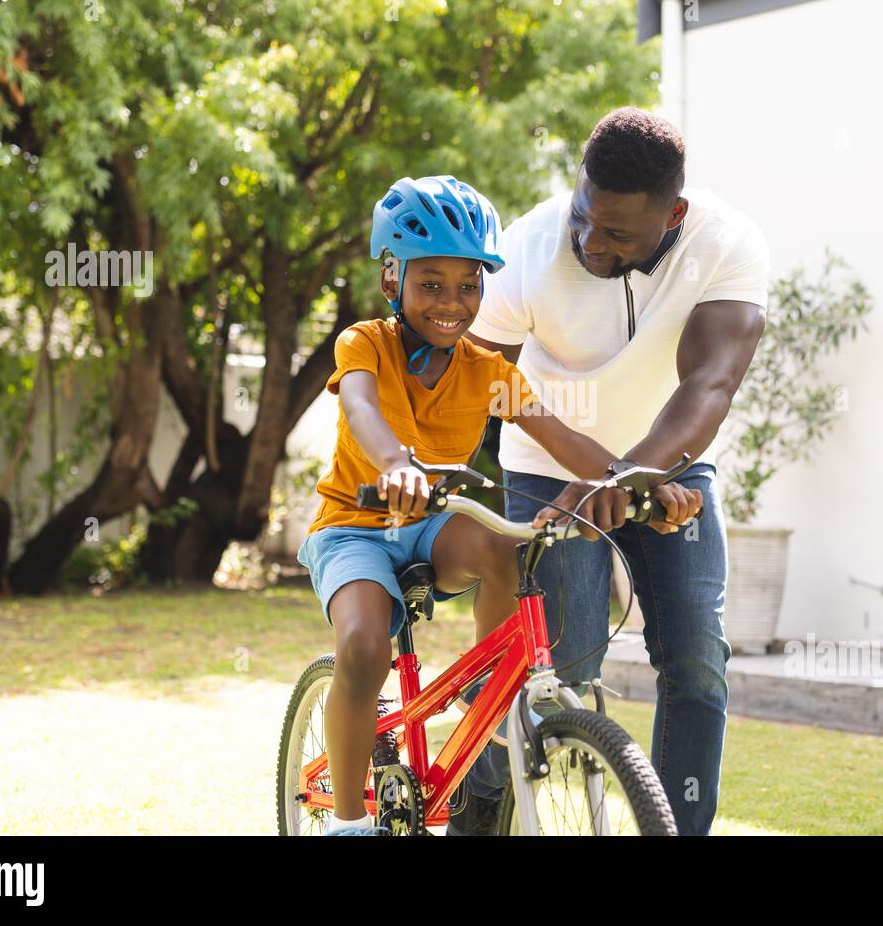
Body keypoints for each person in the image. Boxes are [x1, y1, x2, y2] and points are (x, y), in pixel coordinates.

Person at [297, 173, 702, 835]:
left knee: (504, 547)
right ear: (391, 280)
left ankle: (493, 697)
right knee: (365, 647)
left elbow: (563, 437)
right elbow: (364, 410)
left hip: (430, 524)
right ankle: (347, 819)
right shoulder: (362, 343)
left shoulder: (488, 373)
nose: (453, 302)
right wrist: (398, 465)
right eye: (431, 284)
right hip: (356, 527)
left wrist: (643, 483)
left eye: (469, 285)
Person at [458, 108, 770, 836]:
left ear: (675, 214)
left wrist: (631, 477)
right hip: (547, 468)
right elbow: (491, 387)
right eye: (584, 217)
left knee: (696, 660)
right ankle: (479, 807)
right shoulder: (529, 248)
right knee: (556, 668)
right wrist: (600, 473)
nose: (592, 242)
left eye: (619, 234)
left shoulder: (727, 244)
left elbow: (710, 386)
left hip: (672, 463)